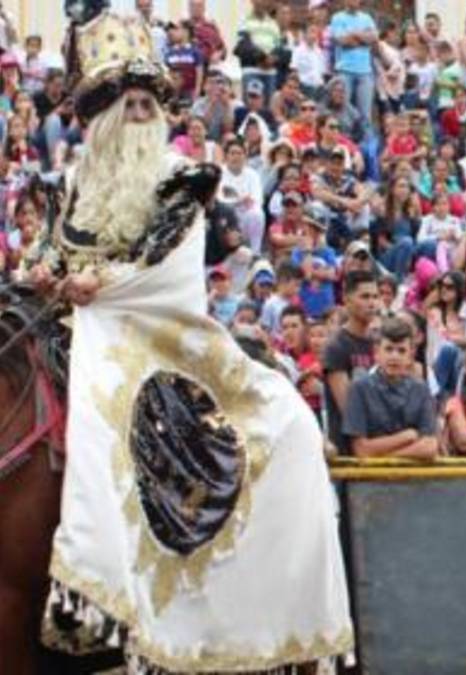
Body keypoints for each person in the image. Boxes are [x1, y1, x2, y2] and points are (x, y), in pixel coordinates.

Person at [21, 10, 351, 668]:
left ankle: (200, 611)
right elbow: (45, 252)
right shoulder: (74, 185)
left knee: (274, 415)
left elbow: (166, 267)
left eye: (148, 100)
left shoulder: (182, 178)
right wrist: (45, 271)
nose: (141, 112)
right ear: (105, 114)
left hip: (154, 331)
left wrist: (96, 285)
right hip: (73, 324)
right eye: (127, 101)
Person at [343, 319, 439, 458]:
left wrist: (388, 457)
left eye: (401, 351)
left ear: (411, 355)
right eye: (389, 349)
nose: (394, 356)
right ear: (377, 352)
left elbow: (430, 446)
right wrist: (406, 437)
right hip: (370, 477)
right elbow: (361, 449)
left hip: (411, 477)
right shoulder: (359, 388)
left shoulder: (421, 389)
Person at [323, 270, 380, 454]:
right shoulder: (336, 346)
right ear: (347, 300)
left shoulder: (380, 343)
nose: (372, 303)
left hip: (380, 445)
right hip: (348, 451)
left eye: (375, 296)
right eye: (364, 296)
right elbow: (348, 408)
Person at [330, 0, 379, 137]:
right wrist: (362, 38)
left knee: (365, 114)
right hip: (345, 70)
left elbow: (374, 38)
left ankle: (368, 147)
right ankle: (344, 141)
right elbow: (341, 41)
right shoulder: (337, 17)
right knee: (343, 110)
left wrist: (354, 35)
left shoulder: (367, 18)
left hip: (365, 71)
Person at [217, 137, 266, 253]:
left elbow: (258, 200)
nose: (236, 157)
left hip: (245, 215)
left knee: (257, 214)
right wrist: (238, 201)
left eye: (239, 153)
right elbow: (218, 200)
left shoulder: (253, 175)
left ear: (245, 156)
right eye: (232, 153)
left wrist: (245, 203)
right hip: (225, 216)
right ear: (226, 156)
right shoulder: (219, 173)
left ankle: (255, 252)